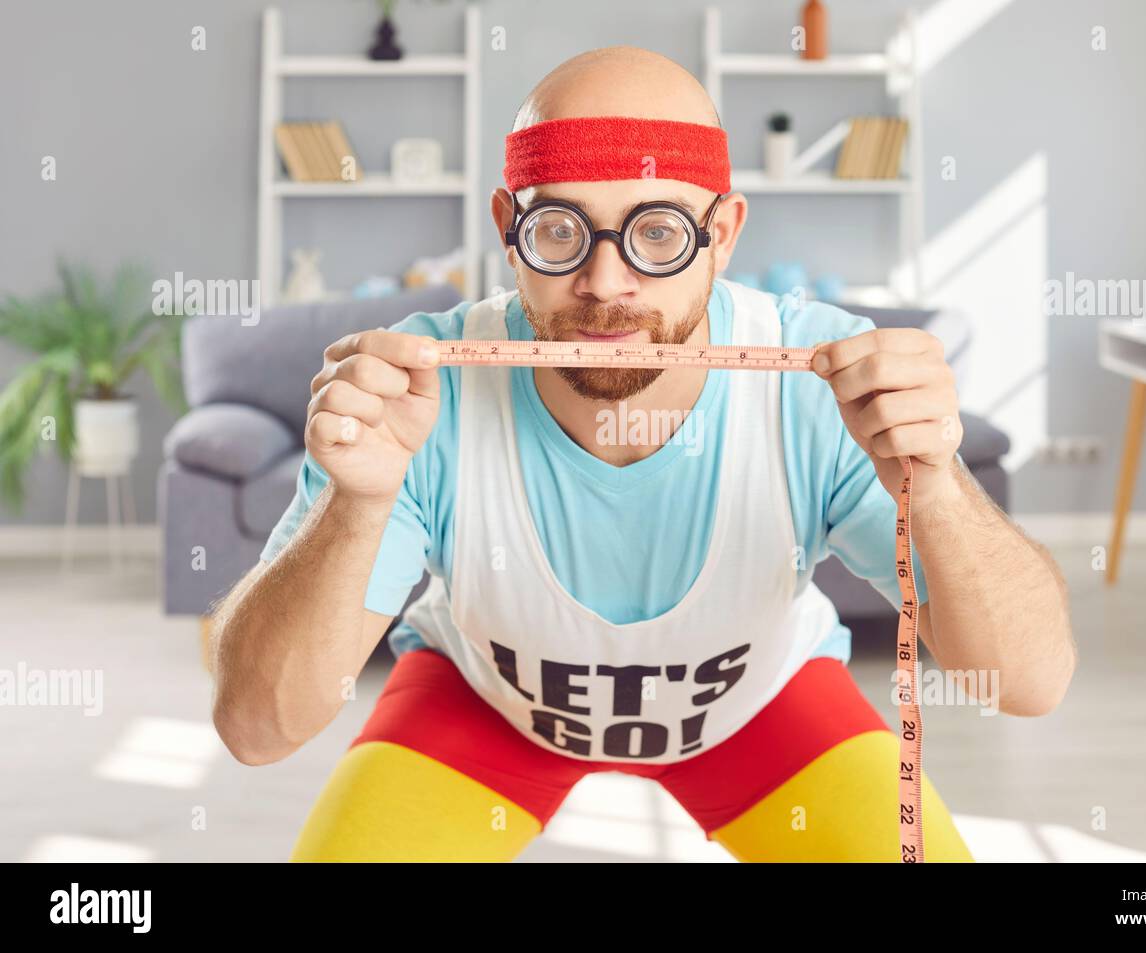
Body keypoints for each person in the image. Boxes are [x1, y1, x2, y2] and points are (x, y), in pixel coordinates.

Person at [209, 46, 1075, 862]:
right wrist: (354, 505)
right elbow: (256, 728)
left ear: (725, 233)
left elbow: (1030, 684)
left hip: (761, 706)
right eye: (560, 231)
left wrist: (942, 484)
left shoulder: (820, 379)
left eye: (658, 233)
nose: (606, 284)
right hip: (482, 706)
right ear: (510, 229)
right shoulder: (412, 388)